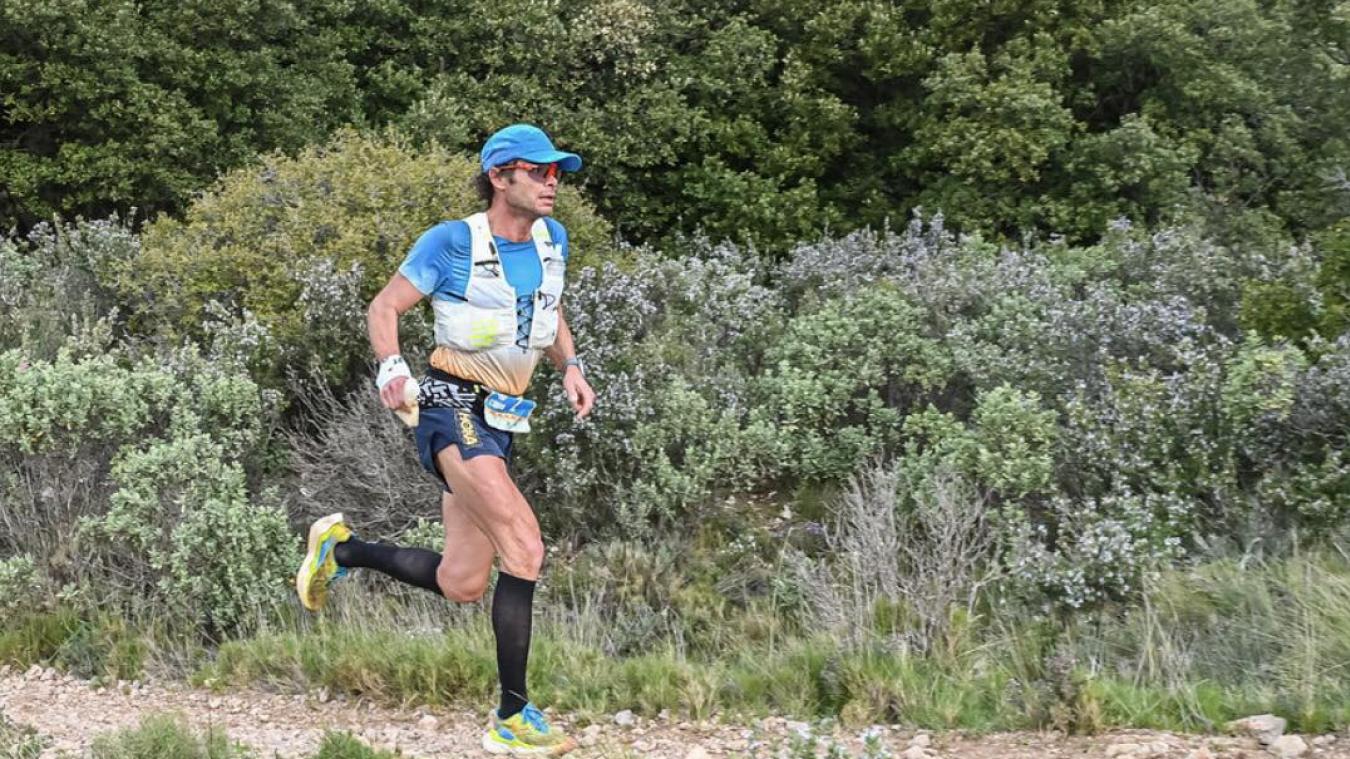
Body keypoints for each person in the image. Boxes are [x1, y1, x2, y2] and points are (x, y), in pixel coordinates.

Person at [295, 123, 596, 756]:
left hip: (504, 417)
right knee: (526, 547)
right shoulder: (453, 241)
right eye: (537, 171)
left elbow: (549, 307)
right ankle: (512, 718)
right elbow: (385, 308)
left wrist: (569, 364)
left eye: (556, 172)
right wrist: (392, 369)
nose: (551, 182)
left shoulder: (553, 239)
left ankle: (341, 551)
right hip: (449, 406)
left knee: (462, 582)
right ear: (498, 176)